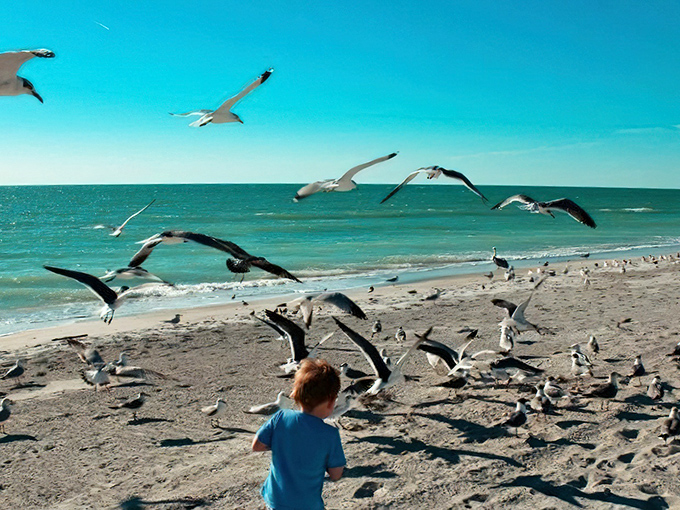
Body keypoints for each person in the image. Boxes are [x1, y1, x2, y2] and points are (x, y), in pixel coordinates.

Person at [252, 359, 346, 509]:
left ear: (297, 394)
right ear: (330, 402)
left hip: (275, 500)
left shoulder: (281, 417)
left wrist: (284, 445)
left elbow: (257, 446)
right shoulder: (330, 434)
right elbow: (336, 474)